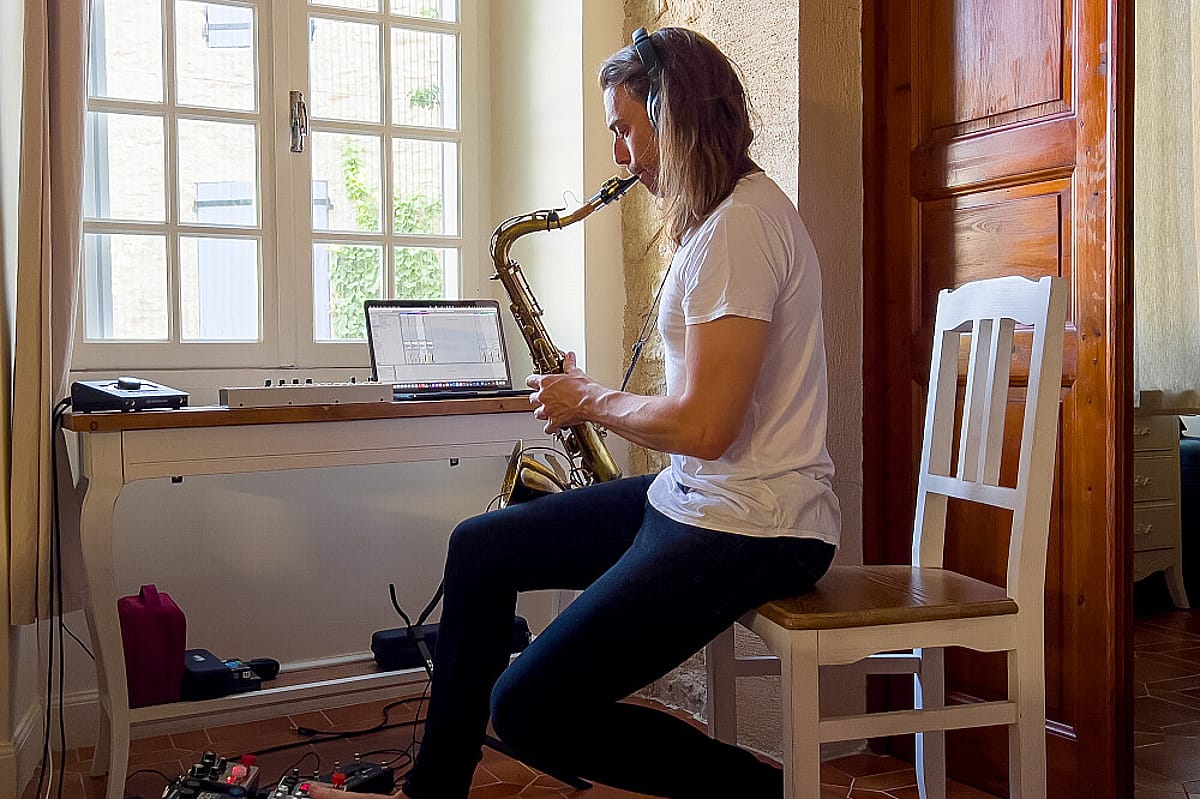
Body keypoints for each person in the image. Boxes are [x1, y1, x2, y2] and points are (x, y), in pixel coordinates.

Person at [319, 26, 840, 799]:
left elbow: (705, 427)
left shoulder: (739, 227)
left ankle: (759, 791)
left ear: (675, 116)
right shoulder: (719, 223)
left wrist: (589, 398)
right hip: (699, 500)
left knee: (529, 706)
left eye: (625, 130)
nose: (621, 157)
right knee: (479, 549)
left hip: (760, 525)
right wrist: (593, 392)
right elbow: (702, 420)